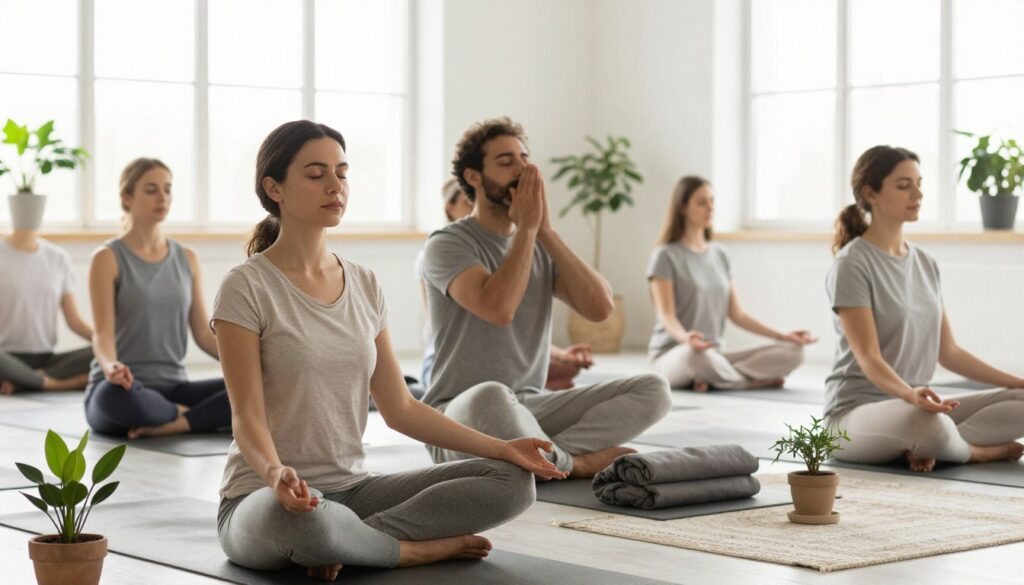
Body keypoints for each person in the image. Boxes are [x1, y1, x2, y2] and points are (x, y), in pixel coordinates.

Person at [213, 120, 563, 581]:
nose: (335, 186)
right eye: (316, 174)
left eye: (342, 172)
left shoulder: (364, 282)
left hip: (353, 493)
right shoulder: (245, 287)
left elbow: (399, 408)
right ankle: (406, 550)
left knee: (513, 482)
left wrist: (503, 447)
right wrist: (276, 472)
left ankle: (352, 543)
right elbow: (247, 418)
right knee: (301, 521)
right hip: (264, 499)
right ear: (273, 187)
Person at [421, 117, 672, 478]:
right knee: (491, 394)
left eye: (525, 158)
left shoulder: (537, 242)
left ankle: (539, 456)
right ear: (474, 176)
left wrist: (546, 231)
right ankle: (573, 464)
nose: (523, 169)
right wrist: (526, 229)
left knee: (654, 389)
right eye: (507, 162)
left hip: (529, 408)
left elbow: (600, 308)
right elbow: (498, 308)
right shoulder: (447, 244)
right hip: (459, 417)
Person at [826, 145, 1024, 472]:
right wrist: (908, 395)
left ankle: (939, 445)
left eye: (919, 183)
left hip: (920, 406)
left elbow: (949, 352)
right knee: (924, 422)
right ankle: (974, 451)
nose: (917, 193)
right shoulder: (851, 264)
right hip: (855, 414)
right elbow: (869, 357)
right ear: (870, 193)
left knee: (1011, 403)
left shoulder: (925, 262)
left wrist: (1018, 382)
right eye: (904, 185)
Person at [85, 158, 230, 438]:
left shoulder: (187, 258)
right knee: (112, 399)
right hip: (124, 389)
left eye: (167, 189)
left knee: (262, 389)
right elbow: (102, 334)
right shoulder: (107, 258)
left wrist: (253, 365)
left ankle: (175, 419)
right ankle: (190, 416)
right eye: (151, 190)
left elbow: (202, 332)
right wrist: (110, 367)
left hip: (175, 386)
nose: (162, 198)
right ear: (127, 197)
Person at [415, 179, 594, 390]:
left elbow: (515, 333)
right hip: (456, 366)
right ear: (450, 207)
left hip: (505, 361)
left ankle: (536, 390)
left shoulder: (521, 249)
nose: (474, 208)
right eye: (468, 202)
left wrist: (559, 354)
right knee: (494, 389)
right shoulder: (439, 250)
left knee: (567, 370)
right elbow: (493, 316)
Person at [647, 176, 815, 391]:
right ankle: (749, 382)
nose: (710, 208)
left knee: (794, 351)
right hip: (676, 354)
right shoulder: (665, 255)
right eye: (701, 202)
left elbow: (738, 315)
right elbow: (666, 315)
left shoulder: (720, 255)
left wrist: (783, 336)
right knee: (696, 356)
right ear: (682, 207)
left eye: (712, 201)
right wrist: (685, 337)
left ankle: (716, 379)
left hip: (715, 355)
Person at [0, 228, 93, 395]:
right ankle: (56, 384)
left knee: (103, 354)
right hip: (5, 358)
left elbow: (74, 321)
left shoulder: (57, 257)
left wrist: (108, 344)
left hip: (47, 360)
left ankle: (26, 381)